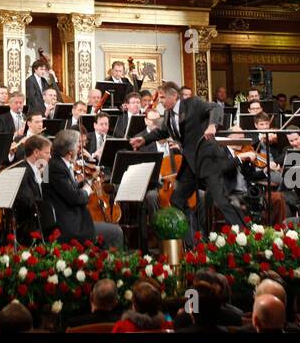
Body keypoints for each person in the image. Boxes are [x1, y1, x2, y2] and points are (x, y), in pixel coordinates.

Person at [130, 81, 243, 231]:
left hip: (207, 159)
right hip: (190, 164)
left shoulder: (193, 103)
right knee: (177, 200)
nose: (161, 101)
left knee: (221, 201)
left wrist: (212, 125)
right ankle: (193, 241)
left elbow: (215, 107)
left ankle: (245, 234)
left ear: (174, 95)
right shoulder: (169, 114)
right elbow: (162, 131)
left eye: (163, 97)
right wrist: (144, 139)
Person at [45, 129, 123, 248]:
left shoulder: (56, 164)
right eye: (78, 145)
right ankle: (110, 265)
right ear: (70, 152)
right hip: (69, 225)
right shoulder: (56, 168)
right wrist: (86, 189)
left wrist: (88, 181)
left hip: (71, 219)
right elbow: (75, 198)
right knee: (116, 232)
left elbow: (68, 190)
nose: (81, 148)